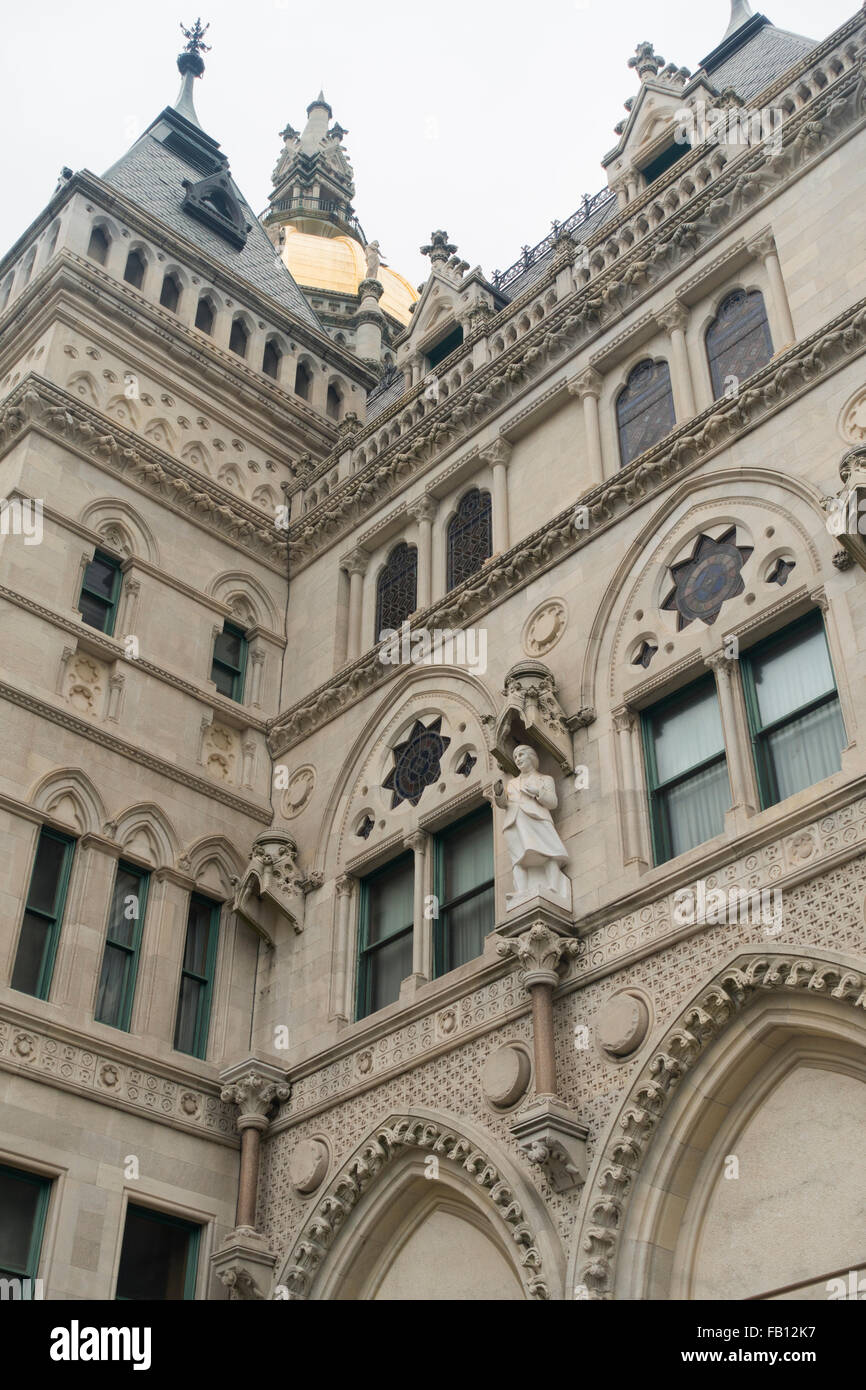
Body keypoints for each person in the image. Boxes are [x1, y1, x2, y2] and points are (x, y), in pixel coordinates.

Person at [493, 744, 570, 905]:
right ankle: (521, 891)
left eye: (521, 755)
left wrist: (537, 792)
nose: (518, 759)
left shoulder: (544, 779)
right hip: (514, 822)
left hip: (537, 819)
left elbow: (552, 803)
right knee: (518, 859)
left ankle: (554, 888)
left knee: (549, 852)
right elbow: (503, 803)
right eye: (515, 757)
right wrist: (499, 793)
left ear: (531, 756)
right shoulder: (512, 783)